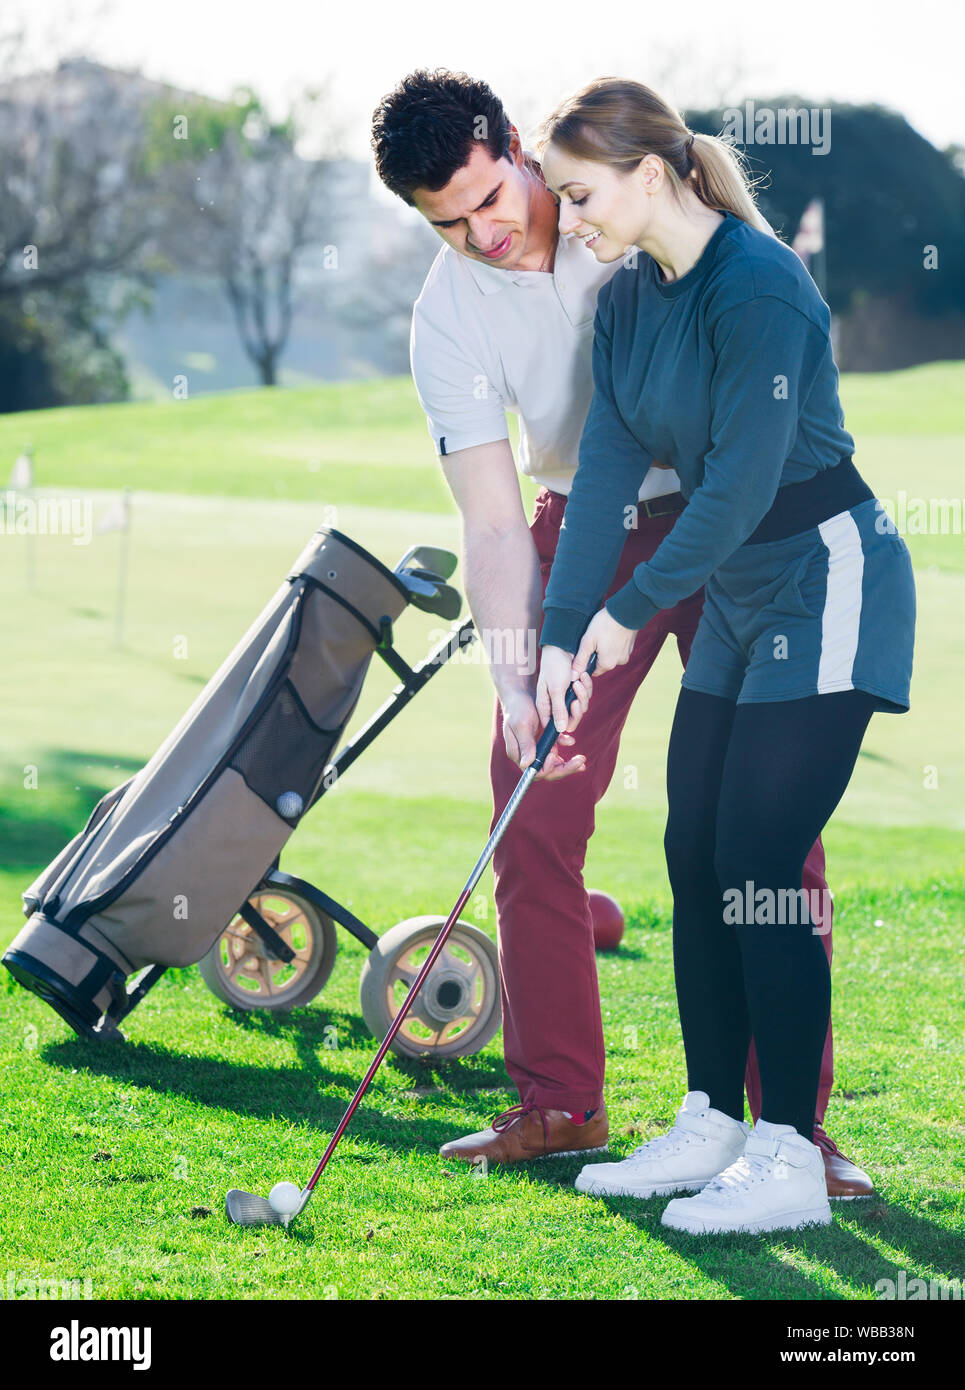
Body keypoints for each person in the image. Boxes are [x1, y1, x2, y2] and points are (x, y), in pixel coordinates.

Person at [371, 68, 871, 1197]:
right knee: (530, 803)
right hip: (583, 534)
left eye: (490, 199)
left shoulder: (627, 212)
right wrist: (515, 673)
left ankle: (790, 1128)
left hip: (730, 531)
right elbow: (495, 519)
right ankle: (559, 1101)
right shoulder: (445, 314)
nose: (481, 233)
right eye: (444, 223)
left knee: (767, 825)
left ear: (515, 148)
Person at [535, 78, 915, 1234]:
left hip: (827, 574)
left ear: (650, 174)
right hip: (739, 591)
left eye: (580, 192)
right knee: (692, 844)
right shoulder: (626, 300)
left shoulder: (761, 285)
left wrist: (630, 608)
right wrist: (560, 638)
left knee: (757, 850)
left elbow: (745, 479)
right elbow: (602, 477)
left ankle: (790, 1150)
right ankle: (708, 1117)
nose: (571, 217)